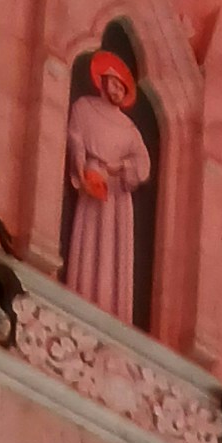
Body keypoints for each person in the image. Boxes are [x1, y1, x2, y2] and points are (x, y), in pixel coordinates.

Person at [63, 46, 154, 322]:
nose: (117, 90)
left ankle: (114, 309)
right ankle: (80, 293)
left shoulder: (129, 129)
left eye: (122, 88)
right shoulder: (83, 108)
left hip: (117, 195)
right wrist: (82, 170)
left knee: (114, 250)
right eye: (113, 83)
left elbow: (143, 164)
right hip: (93, 179)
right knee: (89, 239)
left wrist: (122, 168)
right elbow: (76, 139)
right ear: (102, 81)